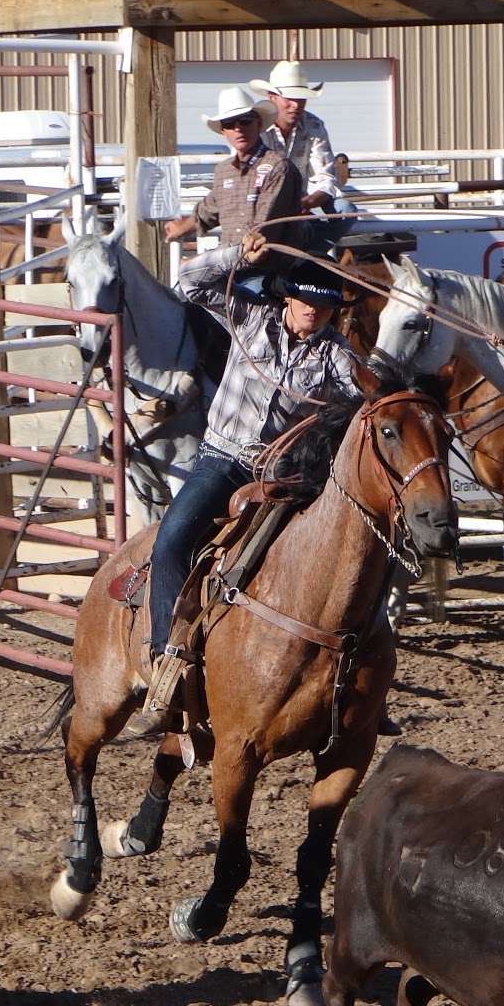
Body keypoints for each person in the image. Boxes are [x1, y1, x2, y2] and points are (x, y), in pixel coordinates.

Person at [139, 232, 361, 736]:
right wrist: (239, 256)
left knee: (345, 558)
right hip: (223, 458)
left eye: (326, 306)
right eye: (308, 301)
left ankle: (359, 673)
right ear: (289, 297)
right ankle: (164, 660)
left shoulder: (336, 355)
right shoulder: (249, 318)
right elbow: (189, 283)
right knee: (172, 541)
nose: (316, 312)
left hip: (285, 474)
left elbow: (368, 398)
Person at [162, 86, 305, 259]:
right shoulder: (224, 171)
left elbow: (263, 227)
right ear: (223, 131)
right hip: (229, 264)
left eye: (244, 120)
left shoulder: (277, 167)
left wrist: (208, 261)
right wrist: (180, 229)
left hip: (266, 268)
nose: (237, 128)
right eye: (229, 124)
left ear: (258, 123)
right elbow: (207, 211)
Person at [249, 60, 342, 215]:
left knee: (345, 211)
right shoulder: (255, 127)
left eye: (301, 98)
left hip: (301, 202)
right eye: (289, 98)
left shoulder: (314, 126)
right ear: (272, 98)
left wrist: (310, 201)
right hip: (264, 204)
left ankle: (309, 235)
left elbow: (325, 176)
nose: (296, 104)